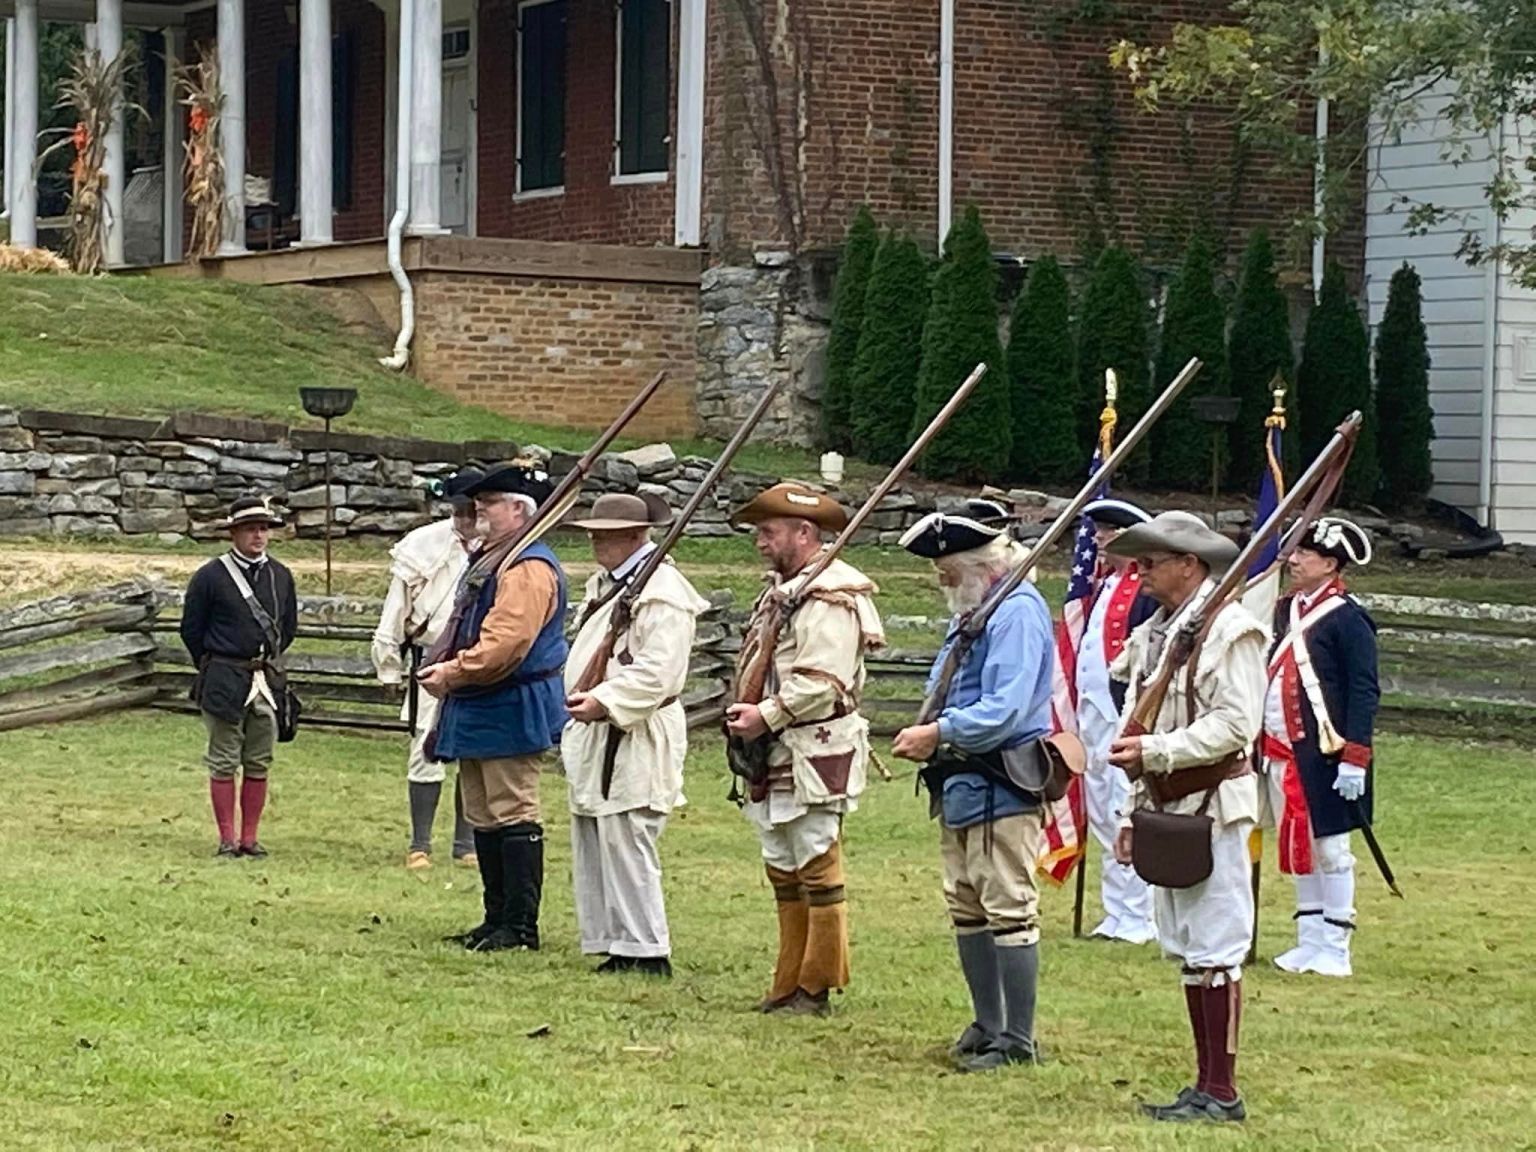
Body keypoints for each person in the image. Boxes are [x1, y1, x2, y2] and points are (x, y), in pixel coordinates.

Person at [1105, 511, 1266, 1124]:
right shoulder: (1162, 632)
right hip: (1166, 804)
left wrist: (1156, 753)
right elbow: (1137, 723)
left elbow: (1235, 725)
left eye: (1153, 560)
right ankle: (1203, 1085)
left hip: (1215, 806)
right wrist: (1131, 807)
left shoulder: (1232, 630)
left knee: (1218, 948)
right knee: (1189, 948)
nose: (1139, 570)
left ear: (1190, 565)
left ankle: (1221, 1091)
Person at [891, 511, 1057, 1071]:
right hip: (964, 778)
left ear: (980, 569)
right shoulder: (977, 611)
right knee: (967, 902)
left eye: (947, 573)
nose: (943, 585)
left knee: (1008, 903)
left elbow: (1006, 708)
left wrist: (939, 731)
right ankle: (988, 1023)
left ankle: (1017, 1038)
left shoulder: (1013, 614)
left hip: (999, 776)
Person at [724, 482, 884, 1017]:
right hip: (775, 750)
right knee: (782, 862)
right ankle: (787, 979)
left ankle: (815, 985)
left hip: (813, 747)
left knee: (815, 858)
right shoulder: (786, 590)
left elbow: (823, 681)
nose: (759, 542)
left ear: (805, 533)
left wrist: (765, 714)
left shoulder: (831, 595)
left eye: (768, 532)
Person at [417, 461, 569, 953]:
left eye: (492, 502)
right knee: (483, 811)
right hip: (485, 697)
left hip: (508, 696)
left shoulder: (527, 567)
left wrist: (453, 672)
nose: (479, 509)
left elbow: (504, 646)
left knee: (512, 809)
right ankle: (495, 918)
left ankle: (519, 925)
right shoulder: (500, 558)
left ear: (520, 510)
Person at [561, 493, 710, 978]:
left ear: (636, 536)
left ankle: (647, 947)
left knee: (628, 834)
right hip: (599, 728)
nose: (596, 542)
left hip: (636, 730)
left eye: (606, 533)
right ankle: (618, 941)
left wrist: (606, 701)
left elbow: (658, 673)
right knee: (600, 833)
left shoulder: (662, 591)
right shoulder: (610, 584)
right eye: (595, 533)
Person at [1263, 516, 1380, 978]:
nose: (1293, 560)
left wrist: (1355, 758)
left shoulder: (1348, 618)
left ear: (1330, 564)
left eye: (1305, 555)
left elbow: (1363, 691)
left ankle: (1336, 945)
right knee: (1301, 850)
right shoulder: (1285, 610)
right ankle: (1308, 941)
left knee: (1331, 851)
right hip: (1282, 750)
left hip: (1326, 755)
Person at [371, 470, 483, 870]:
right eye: (459, 507)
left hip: (479, 662)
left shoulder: (500, 545)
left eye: (472, 508)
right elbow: (396, 609)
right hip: (430, 659)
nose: (465, 516)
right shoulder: (422, 544)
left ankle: (466, 843)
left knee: (472, 748)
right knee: (425, 747)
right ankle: (420, 844)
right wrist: (388, 666)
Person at [179, 495, 298, 859]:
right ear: (234, 534)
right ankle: (227, 838)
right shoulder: (210, 577)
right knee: (224, 759)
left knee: (259, 760)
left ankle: (250, 838)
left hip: (264, 679)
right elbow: (192, 630)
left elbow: (288, 628)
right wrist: (216, 664)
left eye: (263, 529)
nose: (258, 536)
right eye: (250, 529)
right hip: (224, 676)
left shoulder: (280, 576)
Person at [1074, 499, 1160, 944]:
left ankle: (1139, 913)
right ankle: (1117, 910)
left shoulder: (1144, 591)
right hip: (1093, 712)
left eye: (1109, 533)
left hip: (1122, 712)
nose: (1100, 540)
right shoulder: (1105, 585)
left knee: (1125, 807)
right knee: (1103, 810)